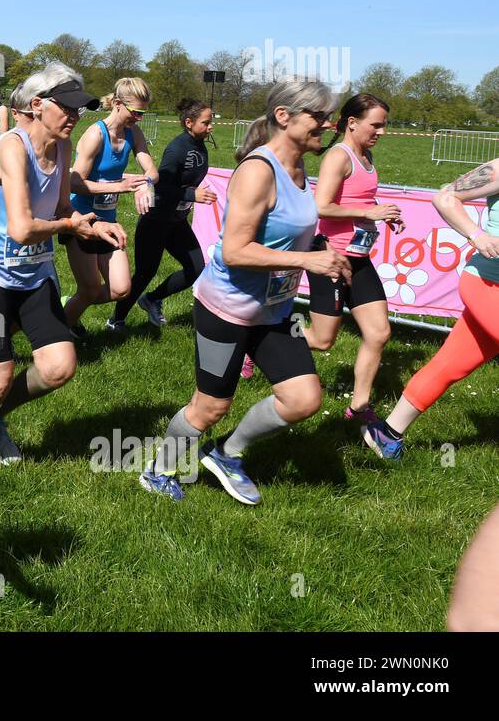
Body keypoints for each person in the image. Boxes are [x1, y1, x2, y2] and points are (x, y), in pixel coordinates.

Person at [140, 77, 344, 504]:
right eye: (319, 116)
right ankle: (158, 469)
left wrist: (319, 250)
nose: (326, 125)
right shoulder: (258, 171)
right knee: (210, 407)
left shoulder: (300, 168)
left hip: (273, 311)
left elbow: (287, 231)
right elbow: (234, 250)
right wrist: (307, 261)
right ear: (284, 117)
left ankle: (226, 454)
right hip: (227, 309)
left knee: (303, 398)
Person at [0, 63, 124, 480]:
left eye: (79, 110)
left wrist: (93, 224)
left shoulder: (62, 147)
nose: (74, 117)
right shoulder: (12, 147)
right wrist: (69, 226)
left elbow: (62, 206)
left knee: (58, 367)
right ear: (38, 105)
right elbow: (23, 228)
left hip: (34, 278)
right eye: (66, 108)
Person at [360, 156, 499, 459]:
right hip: (488, 285)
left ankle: (386, 433)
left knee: (452, 364)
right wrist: (478, 236)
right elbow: (445, 197)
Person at [302, 94, 403, 432]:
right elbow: (322, 206)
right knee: (321, 340)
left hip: (359, 259)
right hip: (331, 257)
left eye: (384, 125)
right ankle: (257, 338)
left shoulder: (366, 155)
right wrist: (367, 212)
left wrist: (384, 217)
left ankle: (359, 406)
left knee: (379, 333)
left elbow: (360, 199)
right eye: (376, 124)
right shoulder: (338, 157)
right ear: (352, 122)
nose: (382, 131)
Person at [63, 76, 158, 336]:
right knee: (90, 289)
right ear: (117, 103)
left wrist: (144, 184)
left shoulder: (132, 133)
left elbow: (151, 170)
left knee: (121, 288)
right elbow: (74, 183)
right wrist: (119, 185)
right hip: (82, 219)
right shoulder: (95, 135)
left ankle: (65, 307)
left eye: (142, 113)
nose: (138, 118)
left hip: (110, 220)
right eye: (135, 111)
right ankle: (62, 327)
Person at [110, 98, 215, 329]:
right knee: (146, 272)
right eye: (206, 122)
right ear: (189, 122)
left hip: (176, 222)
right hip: (156, 221)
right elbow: (160, 186)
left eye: (211, 122)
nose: (211, 127)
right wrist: (191, 196)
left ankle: (152, 299)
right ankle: (116, 319)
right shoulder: (177, 149)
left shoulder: (199, 145)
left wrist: (190, 197)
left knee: (196, 268)